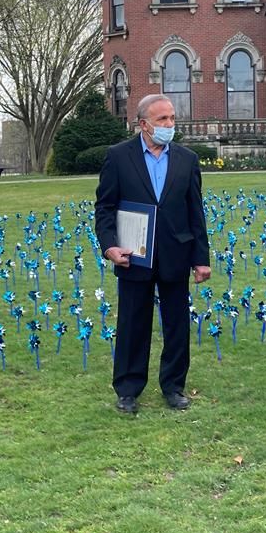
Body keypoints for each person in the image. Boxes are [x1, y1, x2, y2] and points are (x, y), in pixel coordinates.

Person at [95, 94, 211, 415]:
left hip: (176, 252)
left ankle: (173, 386)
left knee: (177, 324)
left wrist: (201, 259)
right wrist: (109, 246)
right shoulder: (119, 157)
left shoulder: (187, 159)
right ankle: (128, 389)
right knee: (133, 323)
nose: (169, 124)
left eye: (172, 118)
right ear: (143, 124)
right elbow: (105, 208)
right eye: (162, 119)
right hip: (133, 255)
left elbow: (195, 212)